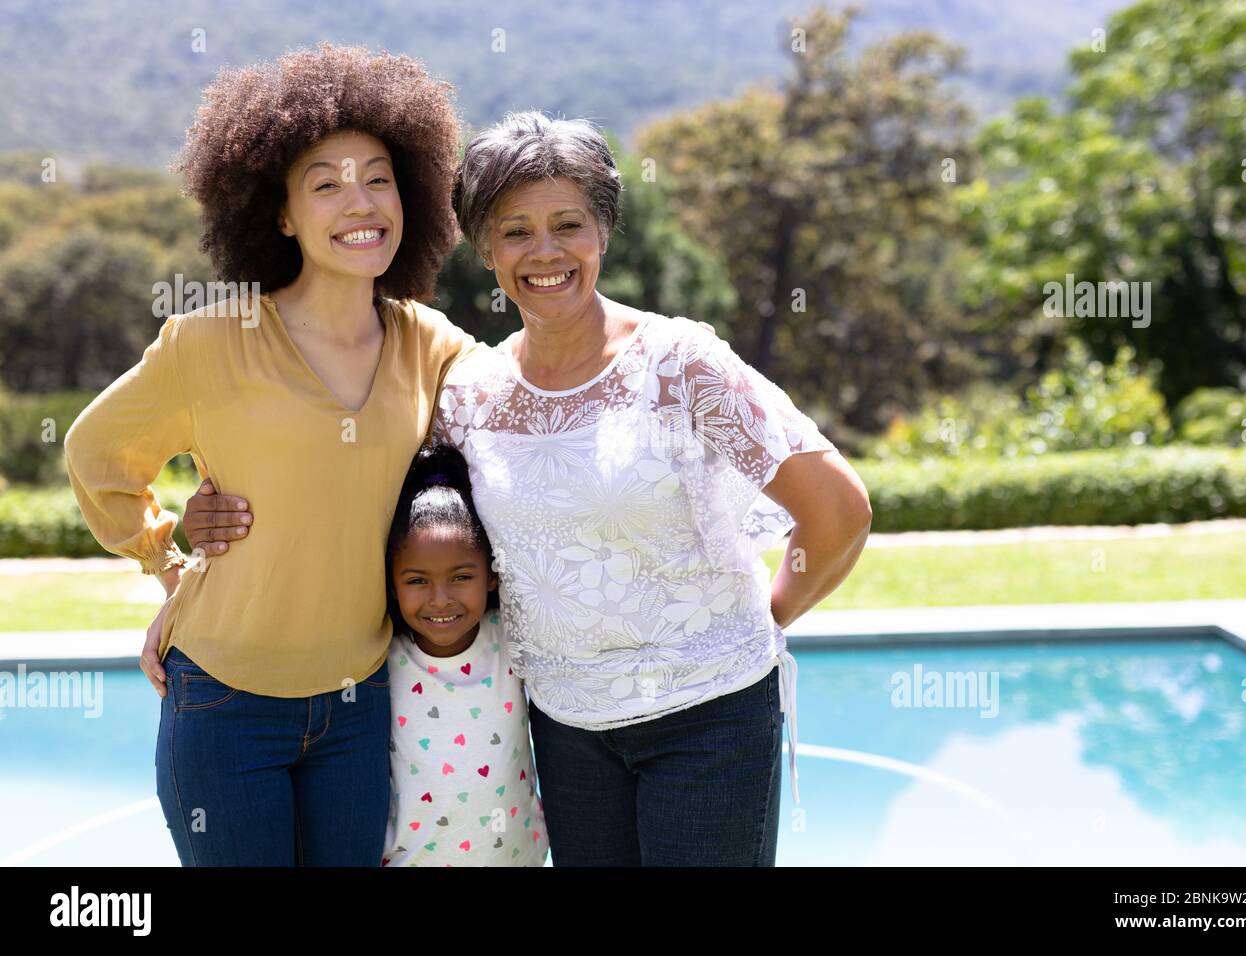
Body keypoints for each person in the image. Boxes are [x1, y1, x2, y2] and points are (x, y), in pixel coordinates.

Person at [182, 111, 873, 866]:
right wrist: (205, 550)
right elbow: (361, 505)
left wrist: (763, 623)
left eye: (568, 225)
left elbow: (837, 512)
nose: (545, 252)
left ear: (603, 233)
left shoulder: (682, 364)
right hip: (565, 731)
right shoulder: (471, 395)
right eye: (515, 231)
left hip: (708, 720)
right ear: (484, 248)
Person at [63, 44, 478, 865]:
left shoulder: (430, 345)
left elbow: (522, 416)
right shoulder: (209, 341)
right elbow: (95, 452)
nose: (360, 201)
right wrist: (169, 562)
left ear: (413, 193)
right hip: (223, 706)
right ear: (280, 214)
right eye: (325, 182)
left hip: (359, 704)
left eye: (379, 176)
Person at [380, 441, 548, 866]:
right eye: (417, 580)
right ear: (392, 585)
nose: (440, 599)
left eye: (460, 577)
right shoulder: (382, 657)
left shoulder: (510, 637)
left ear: (491, 576)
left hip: (515, 858)